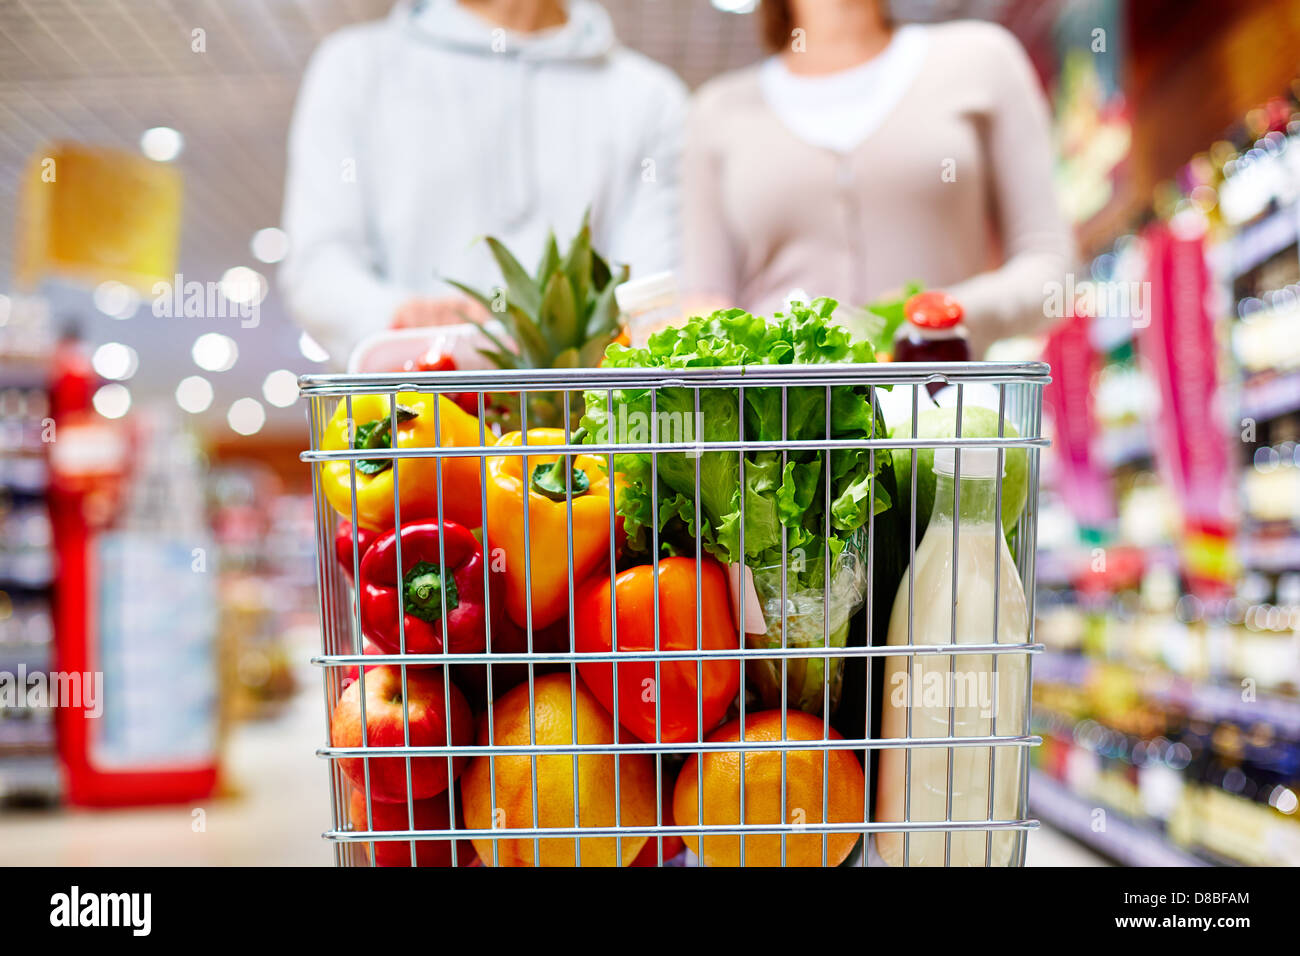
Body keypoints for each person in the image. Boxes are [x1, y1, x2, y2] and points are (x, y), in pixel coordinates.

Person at [280, 0, 687, 364]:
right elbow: (318, 265)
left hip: (591, 432)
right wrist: (397, 314)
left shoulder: (651, 97)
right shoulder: (355, 68)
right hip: (411, 418)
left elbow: (652, 287)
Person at [682, 0, 1075, 358]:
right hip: (782, 427)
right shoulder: (717, 113)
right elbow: (704, 304)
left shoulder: (981, 61)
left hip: (942, 417)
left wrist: (935, 316)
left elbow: (1049, 270)